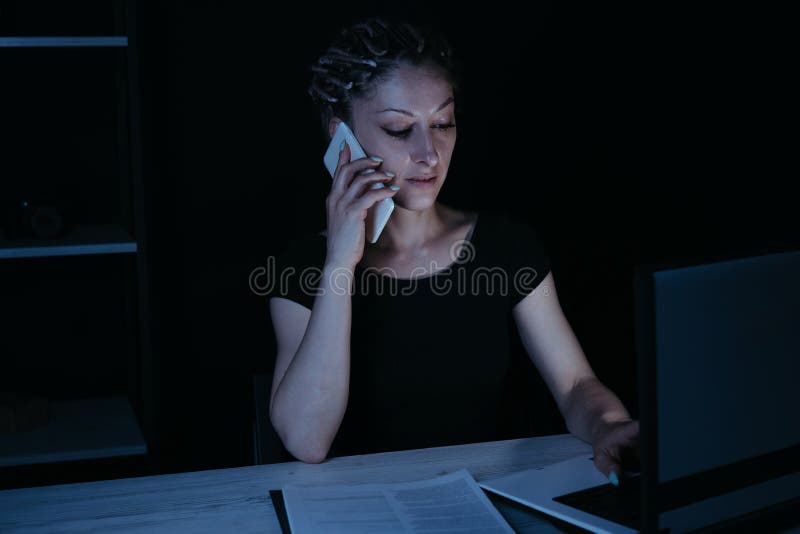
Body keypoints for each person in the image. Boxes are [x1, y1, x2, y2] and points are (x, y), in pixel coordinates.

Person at [266, 17, 638, 484]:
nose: (430, 153)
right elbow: (306, 439)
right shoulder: (301, 268)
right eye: (401, 129)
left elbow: (575, 385)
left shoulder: (507, 247)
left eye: (442, 123)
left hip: (486, 497)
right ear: (342, 139)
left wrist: (610, 427)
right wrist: (341, 262)